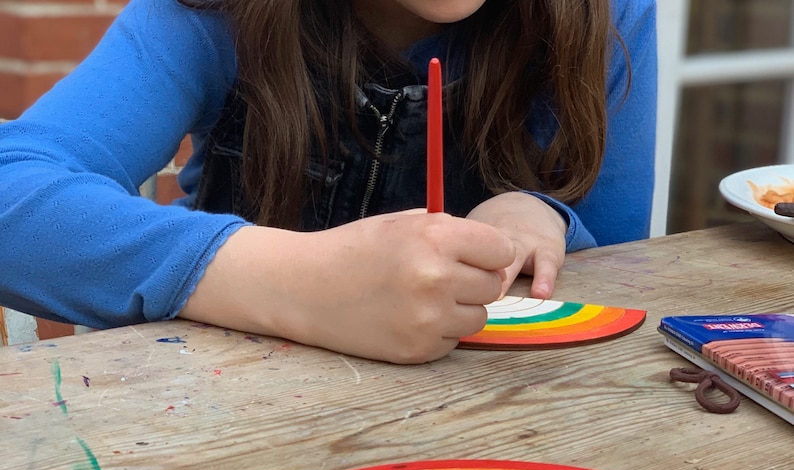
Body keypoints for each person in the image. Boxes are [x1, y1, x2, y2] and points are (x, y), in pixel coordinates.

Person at [0, 0, 656, 364]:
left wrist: (546, 217)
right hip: (223, 429)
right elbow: (14, 193)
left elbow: (630, 282)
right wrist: (301, 283)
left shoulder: (603, 16)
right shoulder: (211, 15)